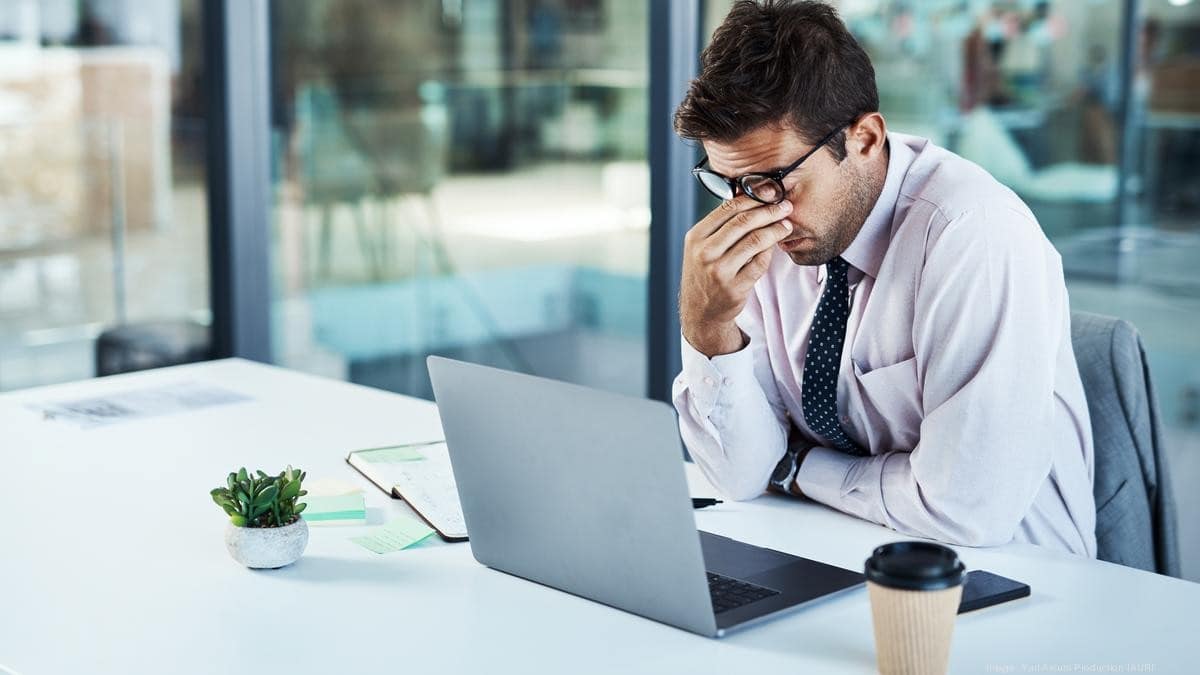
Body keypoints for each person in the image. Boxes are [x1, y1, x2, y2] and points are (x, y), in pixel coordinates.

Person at [671, 0, 1096, 557]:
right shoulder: (774, 226)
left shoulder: (973, 234)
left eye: (774, 181)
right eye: (730, 184)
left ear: (865, 138)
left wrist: (800, 467)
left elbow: (965, 510)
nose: (753, 212)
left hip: (1013, 577)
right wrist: (709, 328)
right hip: (836, 547)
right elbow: (742, 474)